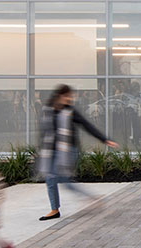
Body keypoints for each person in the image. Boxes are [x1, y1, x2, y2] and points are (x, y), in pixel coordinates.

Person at [36, 84, 118, 221]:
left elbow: (87, 125)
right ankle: (54, 210)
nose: (70, 98)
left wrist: (104, 139)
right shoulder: (48, 110)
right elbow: (44, 132)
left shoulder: (70, 111)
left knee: (64, 180)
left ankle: (91, 198)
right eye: (67, 96)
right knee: (50, 179)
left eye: (71, 96)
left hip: (68, 151)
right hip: (51, 151)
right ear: (59, 96)